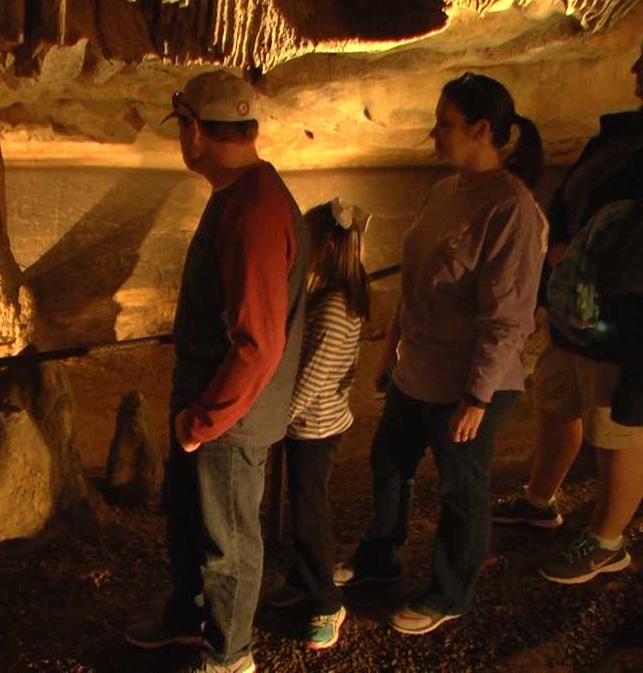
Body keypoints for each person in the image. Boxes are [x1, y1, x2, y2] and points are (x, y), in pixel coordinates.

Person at [335, 72, 547, 635]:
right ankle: (381, 557)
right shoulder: (444, 192)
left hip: (469, 382)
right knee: (390, 461)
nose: (434, 134)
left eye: (445, 124)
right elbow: (416, 279)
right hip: (419, 368)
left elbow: (506, 313)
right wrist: (390, 354)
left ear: (482, 130)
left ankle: (450, 593)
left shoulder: (511, 210)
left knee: (460, 488)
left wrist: (477, 397)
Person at [125, 70, 309, 673]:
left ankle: (230, 656)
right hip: (210, 409)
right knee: (190, 521)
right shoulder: (239, 196)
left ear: (196, 132)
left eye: (182, 127)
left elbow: (258, 343)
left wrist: (203, 422)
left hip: (229, 418)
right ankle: (187, 620)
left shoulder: (253, 213)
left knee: (227, 541)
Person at [491, 40, 643, 584]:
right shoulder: (620, 135)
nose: (633, 67)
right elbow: (575, 201)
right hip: (575, 306)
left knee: (617, 427)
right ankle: (540, 500)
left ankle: (607, 540)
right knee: (558, 399)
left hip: (623, 316)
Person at [264, 199, 370, 650]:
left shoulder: (332, 308)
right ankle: (302, 578)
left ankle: (327, 601)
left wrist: (273, 424)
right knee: (305, 504)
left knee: (310, 512)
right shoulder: (337, 296)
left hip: (314, 426)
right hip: (317, 421)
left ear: (324, 247)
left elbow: (309, 381)